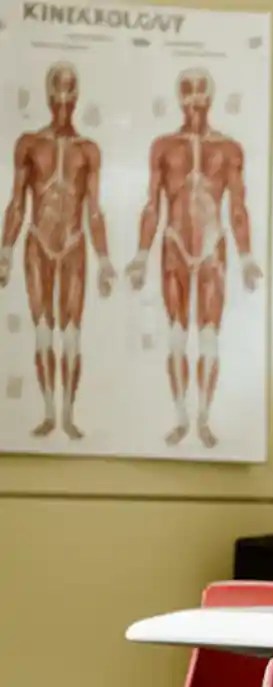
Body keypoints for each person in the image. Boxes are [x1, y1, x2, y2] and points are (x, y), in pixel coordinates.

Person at [126, 67, 263, 449]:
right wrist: (140, 253)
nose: (194, 99)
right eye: (187, 91)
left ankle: (203, 417)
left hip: (212, 246)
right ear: (178, 96)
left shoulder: (229, 149)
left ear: (211, 95)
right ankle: (181, 416)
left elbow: (238, 207)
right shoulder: (164, 147)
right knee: (175, 336)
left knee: (207, 338)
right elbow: (153, 205)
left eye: (200, 91)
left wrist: (247, 255)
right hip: (174, 243)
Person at [0, 61, 115, 439]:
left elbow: (94, 209)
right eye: (58, 89)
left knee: (71, 334)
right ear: (48, 93)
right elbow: (17, 203)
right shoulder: (29, 144)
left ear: (78, 94)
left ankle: (68, 414)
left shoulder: (89, 150)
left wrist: (105, 260)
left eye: (70, 89)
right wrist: (4, 250)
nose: (64, 97)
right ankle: (49, 411)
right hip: (37, 242)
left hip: (74, 245)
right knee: (44, 330)